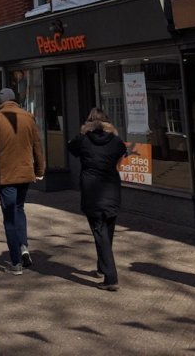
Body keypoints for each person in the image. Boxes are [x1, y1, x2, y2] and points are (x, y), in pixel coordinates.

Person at [0, 88, 45, 275]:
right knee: (19, 209)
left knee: (9, 216)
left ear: (0, 102)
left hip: (7, 174)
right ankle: (24, 247)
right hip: (25, 172)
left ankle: (16, 262)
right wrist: (40, 170)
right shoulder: (28, 117)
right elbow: (37, 145)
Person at [67, 108, 127, 291]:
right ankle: (102, 266)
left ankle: (111, 277)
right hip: (111, 189)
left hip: (92, 190)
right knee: (107, 230)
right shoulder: (116, 141)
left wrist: (83, 131)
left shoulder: (83, 140)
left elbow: (71, 146)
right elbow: (122, 154)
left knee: (99, 231)